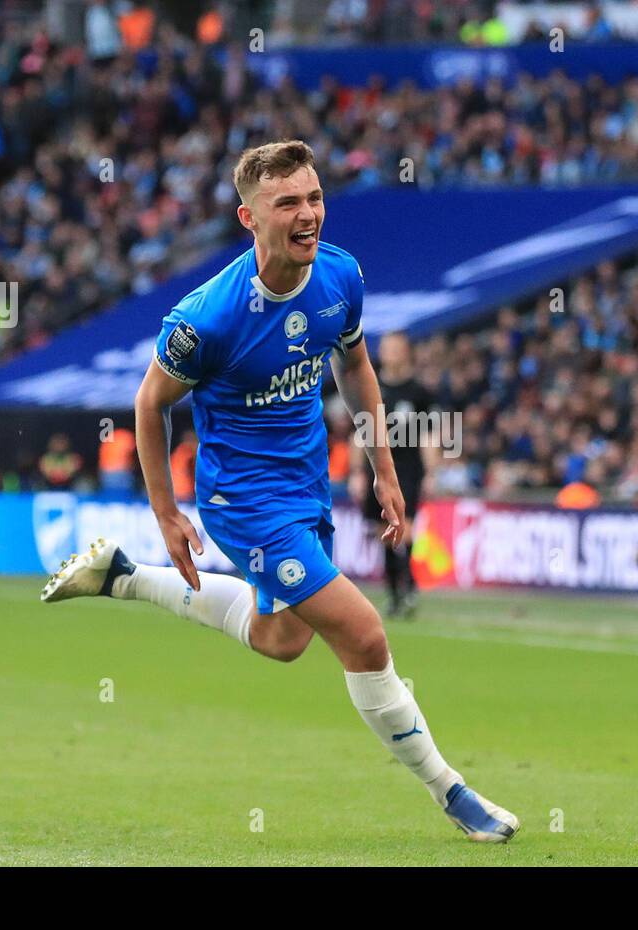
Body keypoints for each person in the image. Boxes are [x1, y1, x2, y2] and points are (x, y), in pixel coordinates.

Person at [40, 140, 518, 842]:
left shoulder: (340, 277)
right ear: (249, 217)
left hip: (306, 485)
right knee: (363, 633)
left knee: (283, 640)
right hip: (243, 500)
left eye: (315, 198)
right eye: (287, 203)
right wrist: (166, 513)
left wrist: (383, 465)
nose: (308, 214)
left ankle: (125, 579)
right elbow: (149, 405)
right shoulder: (208, 318)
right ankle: (452, 792)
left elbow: (354, 365)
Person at [351, 332, 437, 618]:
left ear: (406, 352)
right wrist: (356, 473)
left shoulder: (419, 392)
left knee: (407, 525)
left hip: (408, 468)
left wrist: (431, 473)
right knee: (383, 531)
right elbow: (359, 432)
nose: (391, 354)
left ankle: (410, 584)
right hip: (375, 467)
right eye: (387, 349)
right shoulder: (370, 385)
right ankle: (394, 593)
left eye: (396, 349)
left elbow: (428, 435)